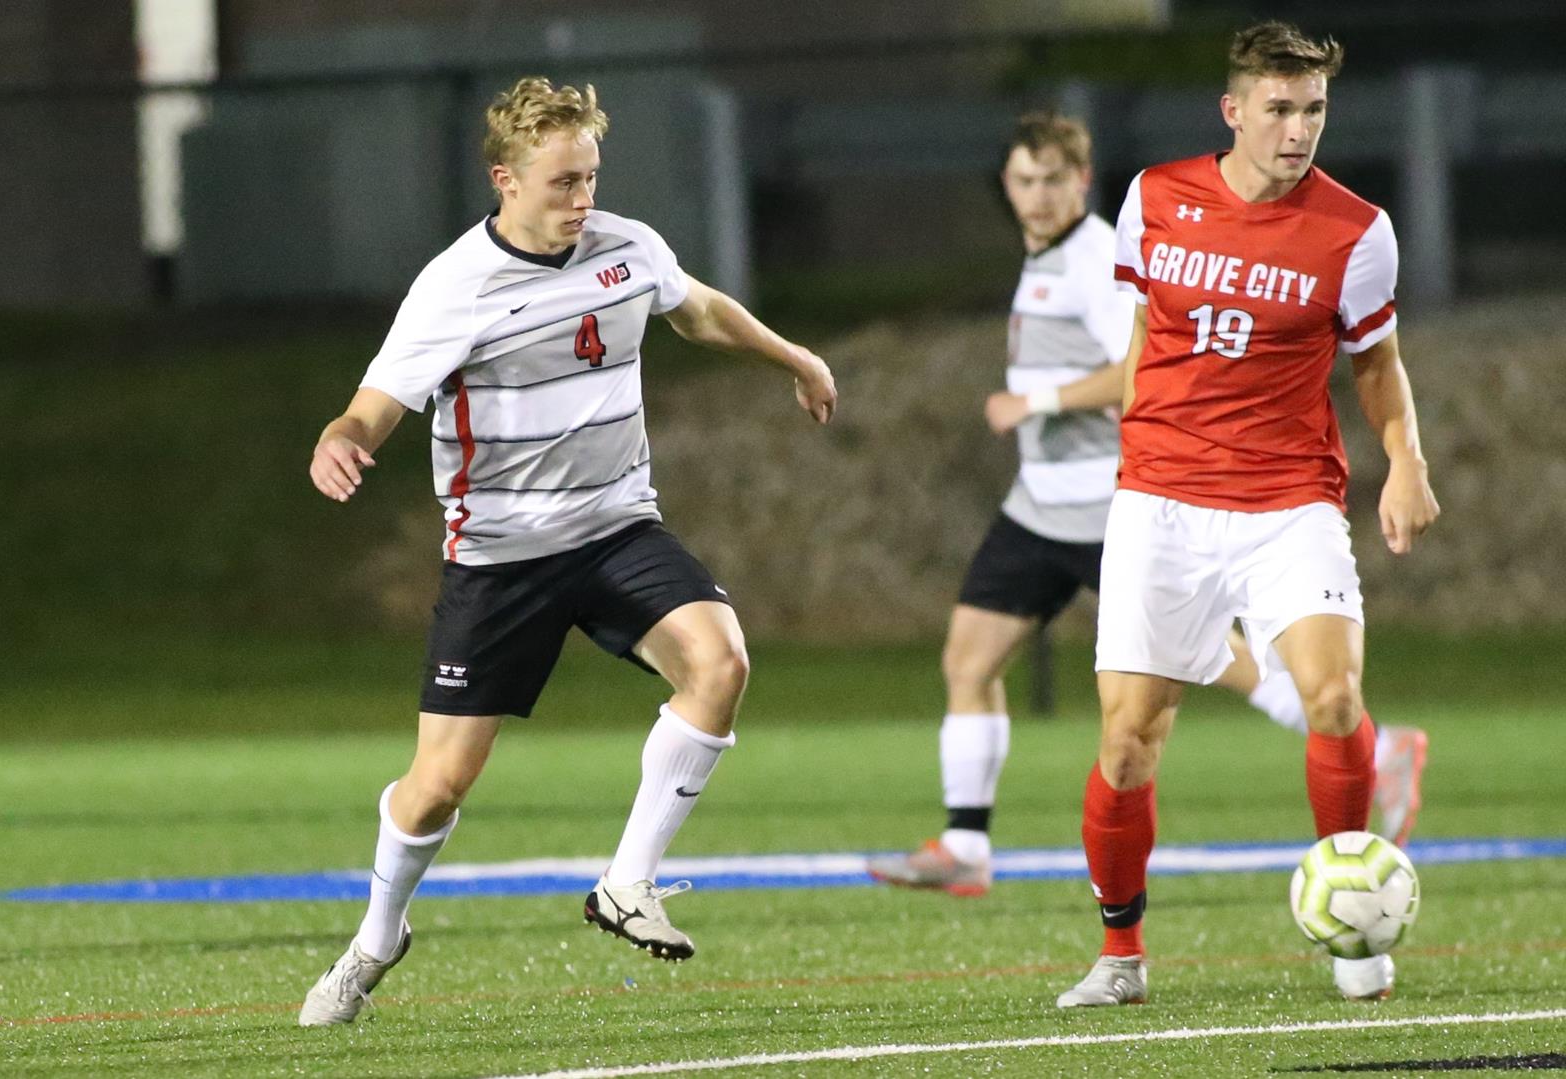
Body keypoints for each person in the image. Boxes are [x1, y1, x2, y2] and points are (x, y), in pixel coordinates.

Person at [297, 76, 838, 1026]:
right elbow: (377, 401)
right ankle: (379, 933)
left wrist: (792, 355)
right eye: (561, 183)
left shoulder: (627, 246)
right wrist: (343, 438)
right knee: (436, 788)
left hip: (617, 525)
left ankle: (628, 881)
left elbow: (698, 308)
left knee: (720, 662)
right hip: (501, 556)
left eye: (589, 178)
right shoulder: (455, 285)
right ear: (505, 179)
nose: (581, 199)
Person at [868, 113, 1428, 898]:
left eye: (1052, 180)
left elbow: (1137, 358)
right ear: (1005, 185)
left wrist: (1038, 400)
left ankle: (1369, 742)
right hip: (1041, 505)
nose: (1036, 197)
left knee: (1201, 666)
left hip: (1118, 495)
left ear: (1081, 181)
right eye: (1023, 181)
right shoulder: (1046, 257)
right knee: (969, 657)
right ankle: (965, 842)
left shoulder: (1099, 256)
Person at [1055, 21, 1442, 1009]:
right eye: (1276, 108)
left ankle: (1351, 931)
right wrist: (1135, 438)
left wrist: (1404, 460)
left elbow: (1375, 366)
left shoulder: (1355, 230)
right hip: (1160, 500)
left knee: (1333, 698)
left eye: (1312, 109)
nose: (1296, 128)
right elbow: (1149, 335)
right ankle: (1119, 954)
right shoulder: (1155, 197)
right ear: (1232, 110)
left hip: (1287, 499)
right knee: (1128, 737)